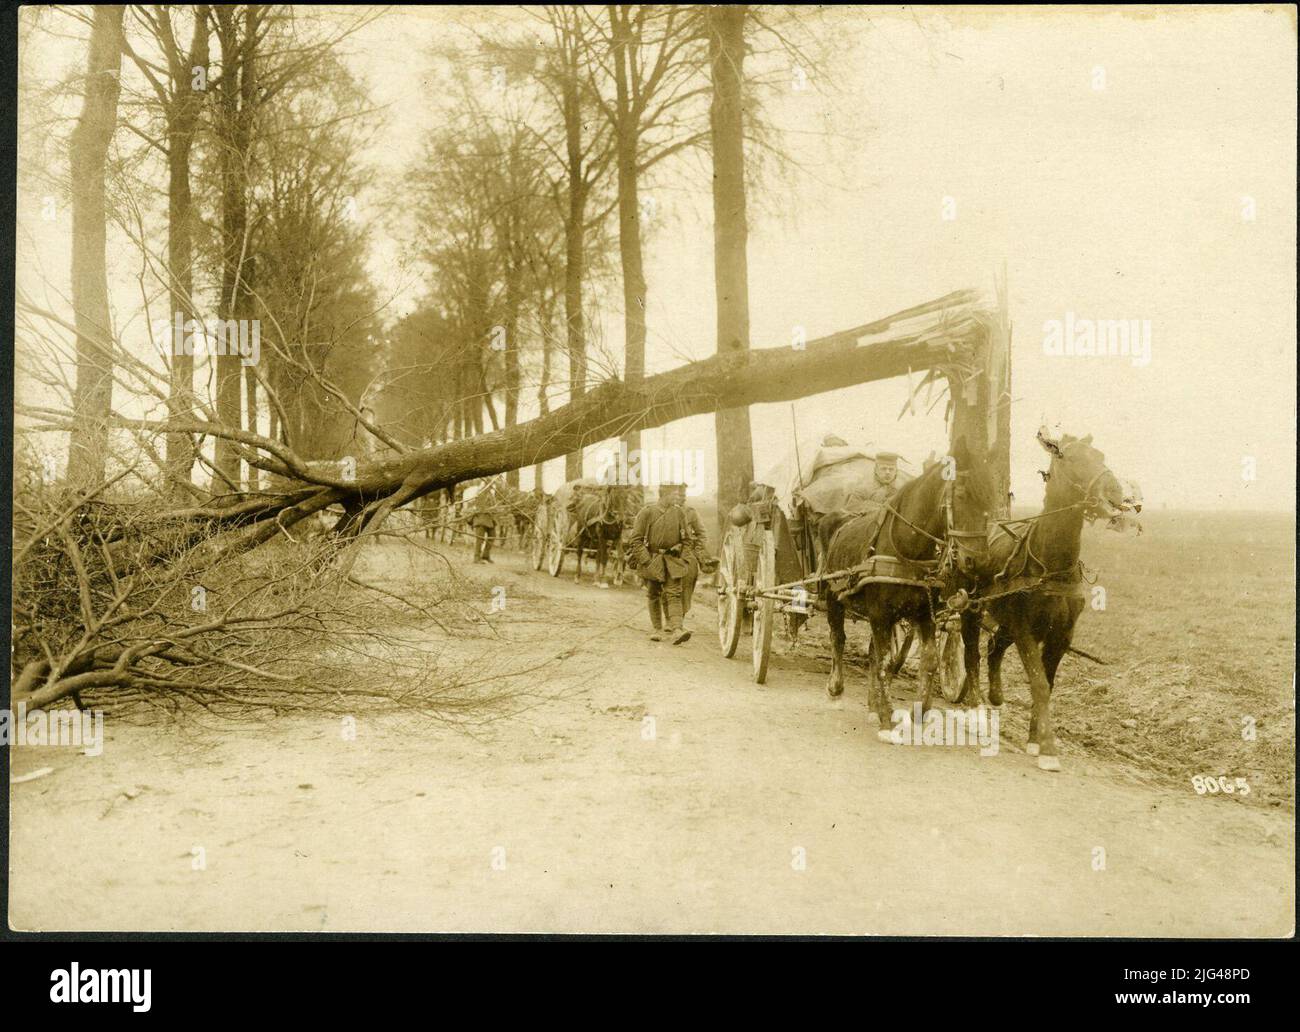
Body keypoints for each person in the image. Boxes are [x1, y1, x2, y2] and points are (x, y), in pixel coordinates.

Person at [627, 481, 707, 644]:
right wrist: (647, 561)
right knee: (653, 593)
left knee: (674, 593)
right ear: (664, 494)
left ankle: (677, 629)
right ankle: (657, 629)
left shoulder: (679, 513)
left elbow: (687, 540)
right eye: (674, 494)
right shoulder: (647, 512)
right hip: (652, 559)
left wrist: (683, 558)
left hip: (673, 560)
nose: (678, 497)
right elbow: (635, 540)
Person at [469, 479, 500, 563]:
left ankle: (485, 556)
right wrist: (490, 508)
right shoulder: (480, 493)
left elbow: (493, 506)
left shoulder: (490, 494)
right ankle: (476, 558)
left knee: (492, 536)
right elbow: (479, 506)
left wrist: (495, 509)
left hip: (489, 520)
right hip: (480, 519)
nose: (492, 487)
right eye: (491, 485)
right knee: (480, 539)